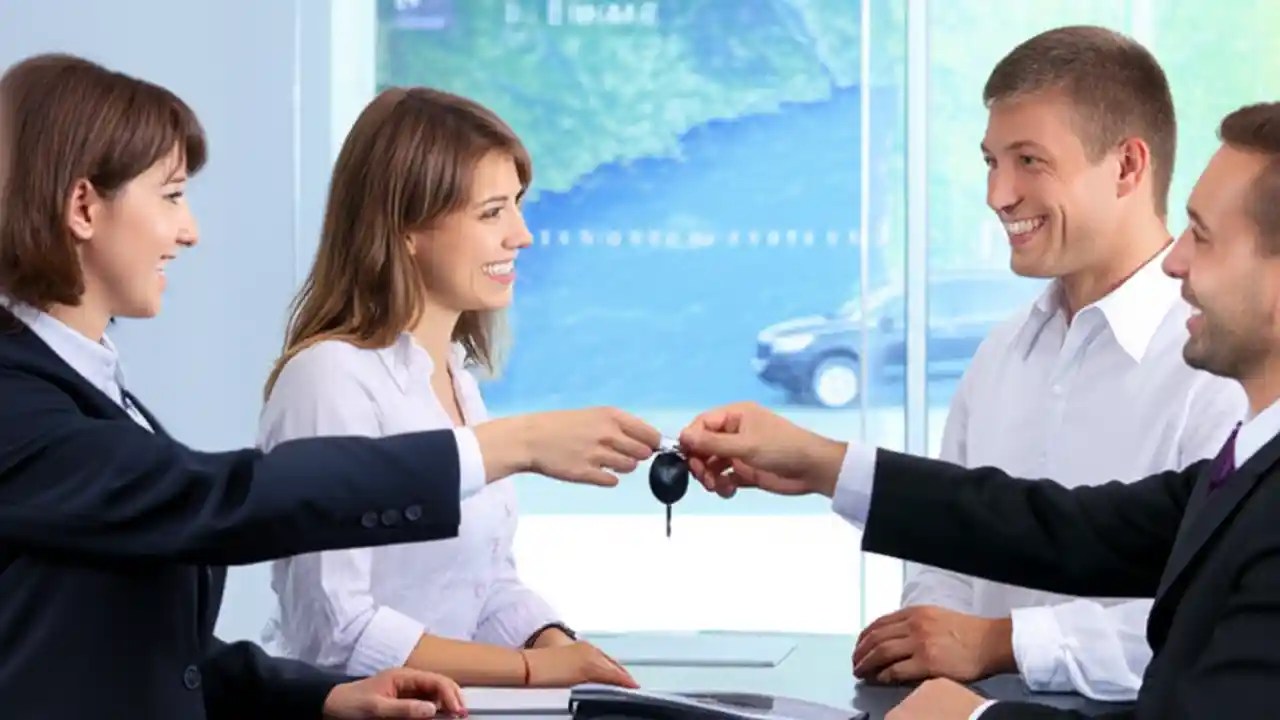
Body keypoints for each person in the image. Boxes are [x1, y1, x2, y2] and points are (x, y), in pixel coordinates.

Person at [0, 53, 660, 720]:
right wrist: (504, 447)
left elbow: (174, 654)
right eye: (171, 195)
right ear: (83, 206)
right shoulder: (17, 403)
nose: (190, 230)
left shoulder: (97, 395)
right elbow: (225, 502)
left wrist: (326, 696)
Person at [678, 101, 1280, 719]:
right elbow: (1056, 526)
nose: (1176, 261)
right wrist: (821, 465)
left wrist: (975, 715)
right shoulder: (1245, 467)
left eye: (1202, 237)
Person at [855, 25, 1245, 700]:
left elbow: (1212, 617)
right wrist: (930, 640)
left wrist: (999, 643)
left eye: (1029, 161)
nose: (997, 194)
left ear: (1127, 166)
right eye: (990, 162)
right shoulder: (1001, 353)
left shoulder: (1222, 367)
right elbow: (942, 555)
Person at [257, 86, 636, 688]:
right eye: (492, 213)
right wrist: (530, 670)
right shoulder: (327, 381)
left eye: (516, 204)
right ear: (406, 228)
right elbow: (335, 630)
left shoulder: (455, 377)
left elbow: (482, 587)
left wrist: (553, 641)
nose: (522, 235)